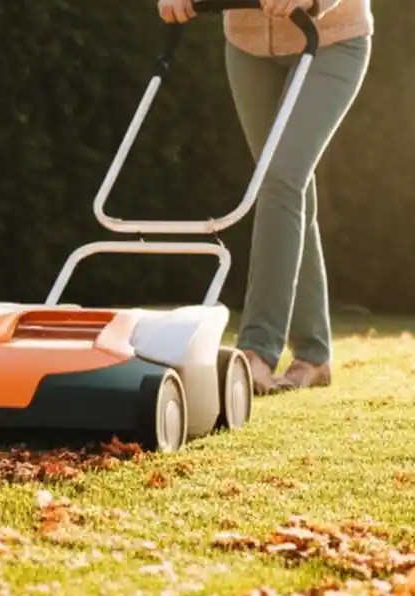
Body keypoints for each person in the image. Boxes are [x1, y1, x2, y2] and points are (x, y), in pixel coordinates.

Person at [158, 0, 373, 394]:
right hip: (247, 47)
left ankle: (258, 350)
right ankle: (314, 353)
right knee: (284, 186)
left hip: (331, 42)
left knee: (281, 180)